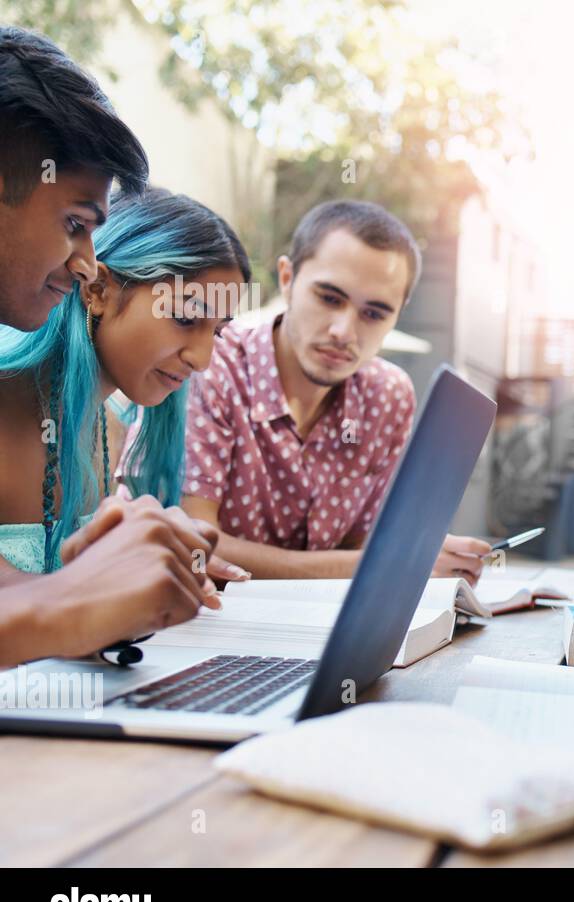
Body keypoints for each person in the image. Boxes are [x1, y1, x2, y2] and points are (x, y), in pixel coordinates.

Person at [0, 27, 223, 666]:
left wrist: (108, 582)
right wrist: (80, 598)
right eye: (74, 225)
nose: (86, 267)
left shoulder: (106, 427)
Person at [178, 200, 491, 582]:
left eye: (374, 314)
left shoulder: (388, 395)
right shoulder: (214, 364)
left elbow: (362, 544)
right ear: (288, 279)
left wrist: (419, 555)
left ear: (398, 314)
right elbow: (196, 544)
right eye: (329, 298)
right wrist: (391, 560)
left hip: (323, 625)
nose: (344, 331)